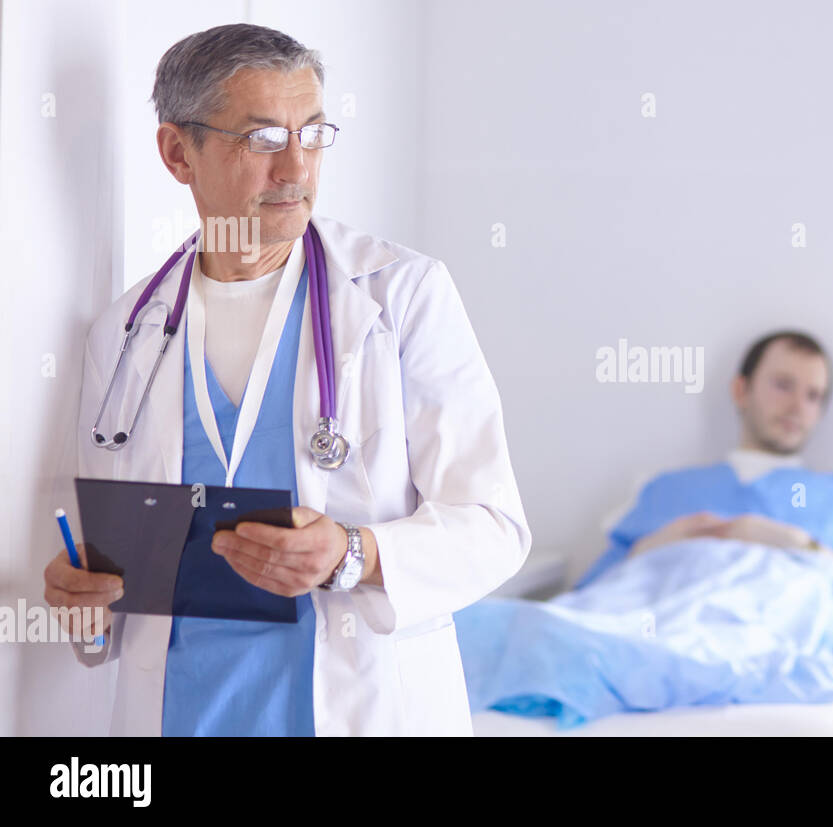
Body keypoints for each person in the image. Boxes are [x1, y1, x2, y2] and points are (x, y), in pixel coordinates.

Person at [41, 24, 530, 736]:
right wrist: (84, 603)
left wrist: (352, 553)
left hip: (353, 707)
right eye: (264, 139)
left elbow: (495, 527)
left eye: (314, 133)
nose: (296, 168)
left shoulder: (401, 296)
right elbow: (114, 594)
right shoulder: (124, 332)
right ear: (180, 152)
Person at [573, 330, 833, 626]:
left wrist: (798, 545)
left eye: (813, 396)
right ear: (741, 390)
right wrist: (656, 545)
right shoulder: (667, 492)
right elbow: (590, 600)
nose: (797, 406)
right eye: (783, 385)